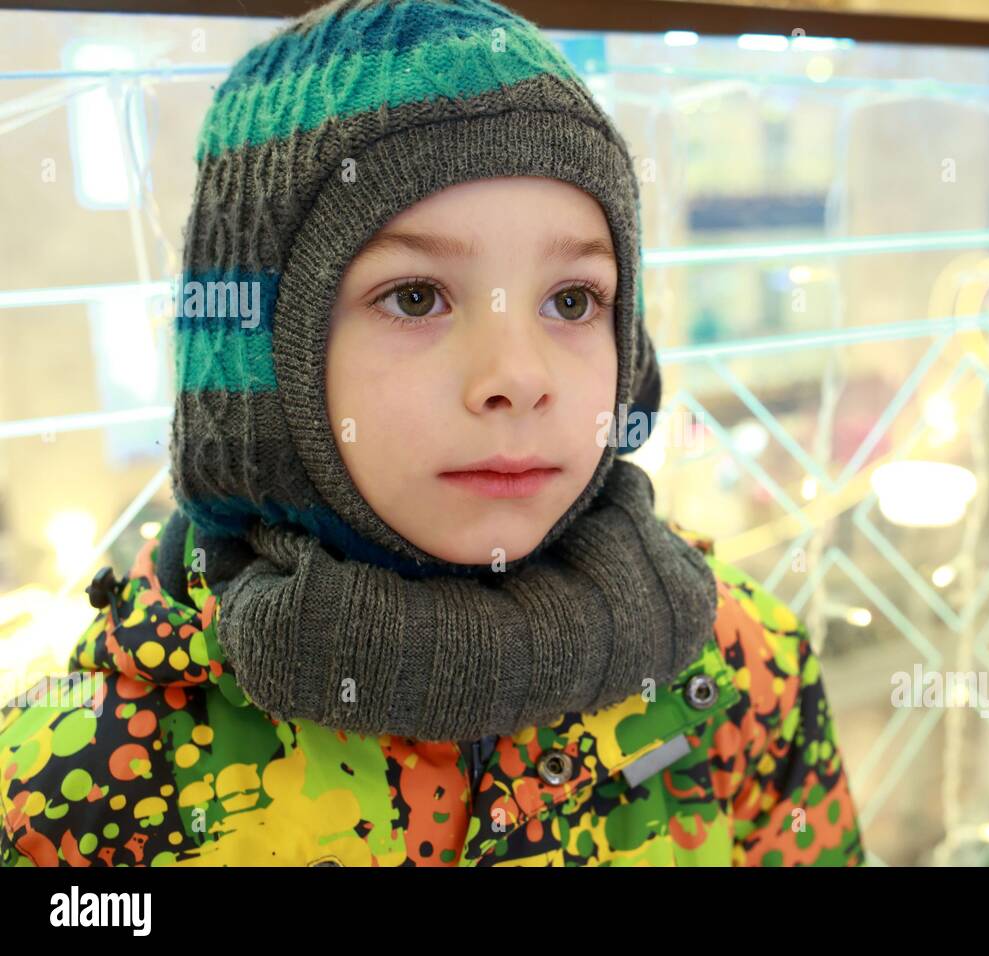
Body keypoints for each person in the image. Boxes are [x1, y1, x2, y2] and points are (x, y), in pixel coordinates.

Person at [0, 0, 864, 867]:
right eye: (416, 296)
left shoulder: (741, 672)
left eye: (572, 300)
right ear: (258, 354)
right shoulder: (83, 787)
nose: (518, 378)